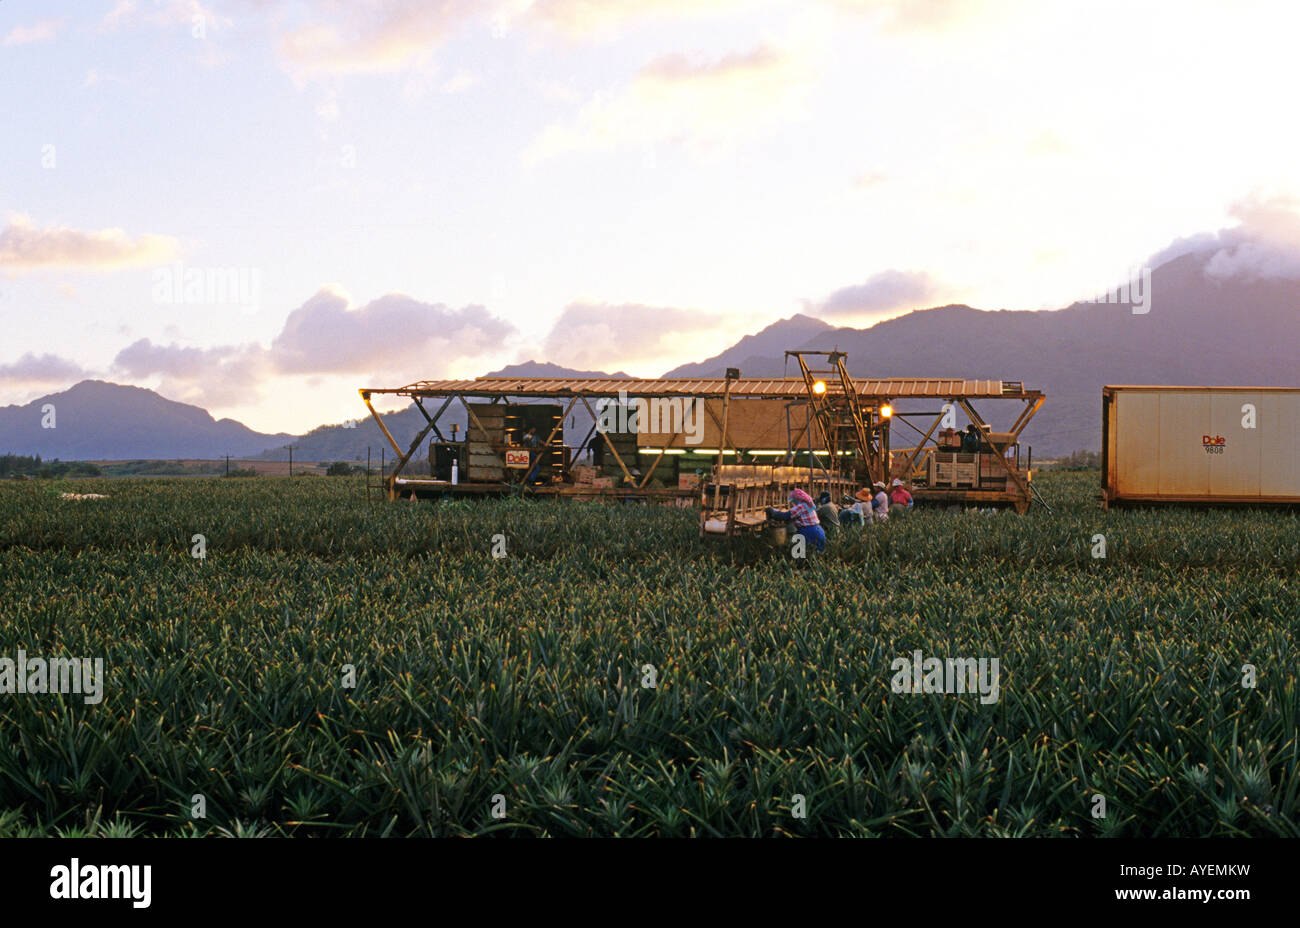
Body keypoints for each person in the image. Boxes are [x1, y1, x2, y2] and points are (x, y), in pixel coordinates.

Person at [766, 488, 826, 552]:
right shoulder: (807, 505)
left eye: (793, 500)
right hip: (818, 530)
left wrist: (772, 511)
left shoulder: (801, 506)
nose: (793, 502)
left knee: (806, 553)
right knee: (818, 552)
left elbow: (785, 516)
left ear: (797, 499)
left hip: (809, 532)